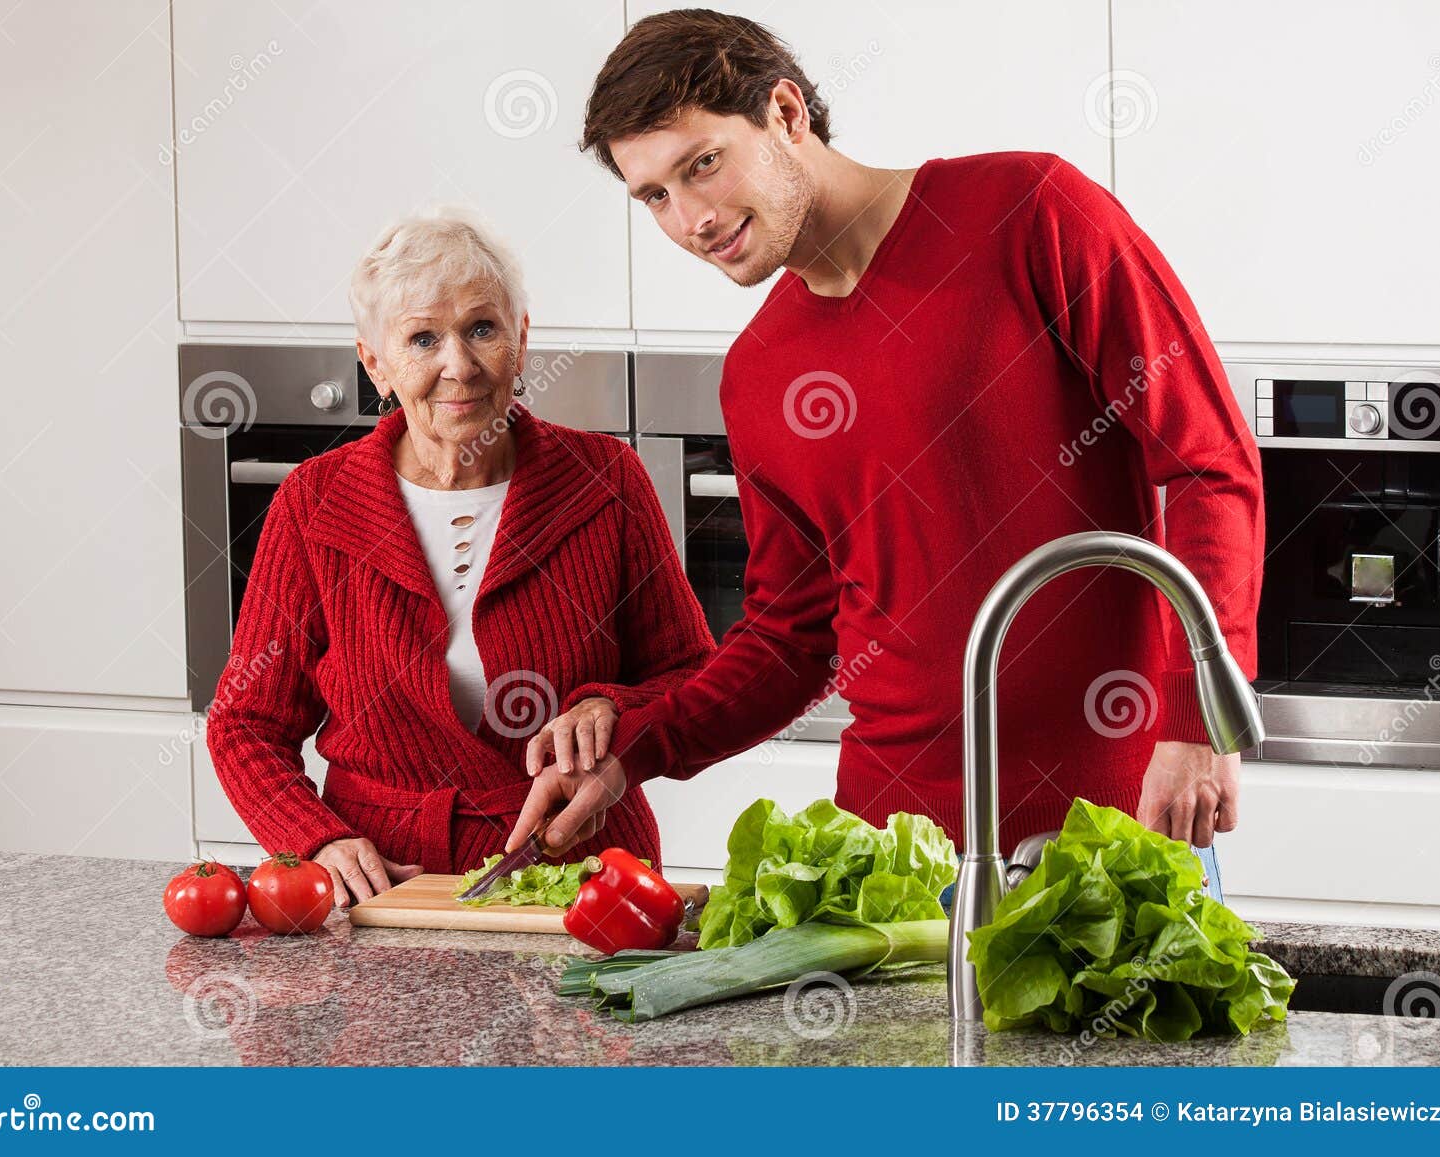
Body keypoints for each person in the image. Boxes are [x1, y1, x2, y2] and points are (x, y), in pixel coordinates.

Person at [511, 9, 1263, 877]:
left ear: (787, 114)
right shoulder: (757, 374)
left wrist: (1196, 714)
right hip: (894, 861)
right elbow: (789, 639)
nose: (691, 221)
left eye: (703, 164)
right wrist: (634, 748)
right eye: (655, 196)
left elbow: (1210, 462)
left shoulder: (1029, 211)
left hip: (1117, 832)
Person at [207, 210, 716, 907]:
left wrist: (612, 705)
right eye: (423, 337)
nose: (460, 365)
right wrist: (316, 836)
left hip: (585, 879)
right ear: (375, 364)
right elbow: (244, 722)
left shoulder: (606, 479)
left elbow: (689, 675)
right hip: (389, 888)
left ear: (522, 338)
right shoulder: (313, 503)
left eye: (482, 328)